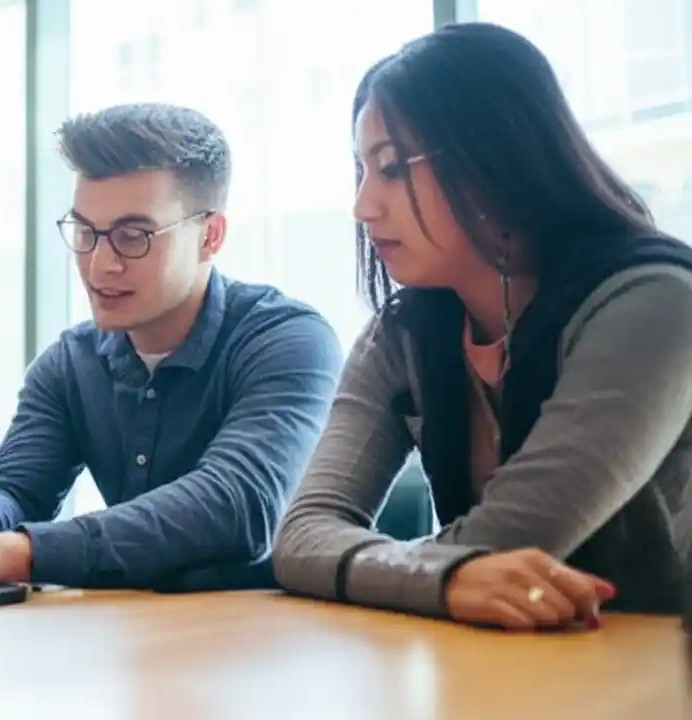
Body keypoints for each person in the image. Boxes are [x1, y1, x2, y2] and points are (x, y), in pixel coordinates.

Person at [271, 23, 692, 630]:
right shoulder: (404, 332)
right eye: (361, 171)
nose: (363, 206)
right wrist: (448, 576)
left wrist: (429, 572)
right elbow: (302, 536)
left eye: (391, 169)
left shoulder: (653, 302)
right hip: (509, 661)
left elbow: (517, 534)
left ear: (492, 160)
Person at [0, 103, 344, 590]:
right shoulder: (69, 364)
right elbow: (16, 490)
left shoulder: (289, 341)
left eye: (133, 236)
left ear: (210, 236)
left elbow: (237, 507)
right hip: (135, 639)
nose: (99, 265)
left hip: (279, 641)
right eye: (85, 232)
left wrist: (15, 553)